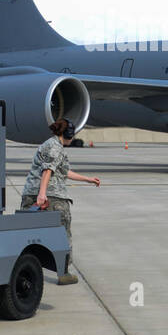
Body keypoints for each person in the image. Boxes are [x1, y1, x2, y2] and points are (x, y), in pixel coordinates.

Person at [20, 118, 100, 285]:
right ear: (69, 134)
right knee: (62, 234)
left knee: (29, 235)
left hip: (31, 194)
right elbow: (48, 170)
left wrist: (88, 179)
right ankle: (63, 273)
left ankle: (24, 269)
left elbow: (64, 172)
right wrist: (42, 194)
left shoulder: (50, 144)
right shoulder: (55, 147)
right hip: (52, 198)